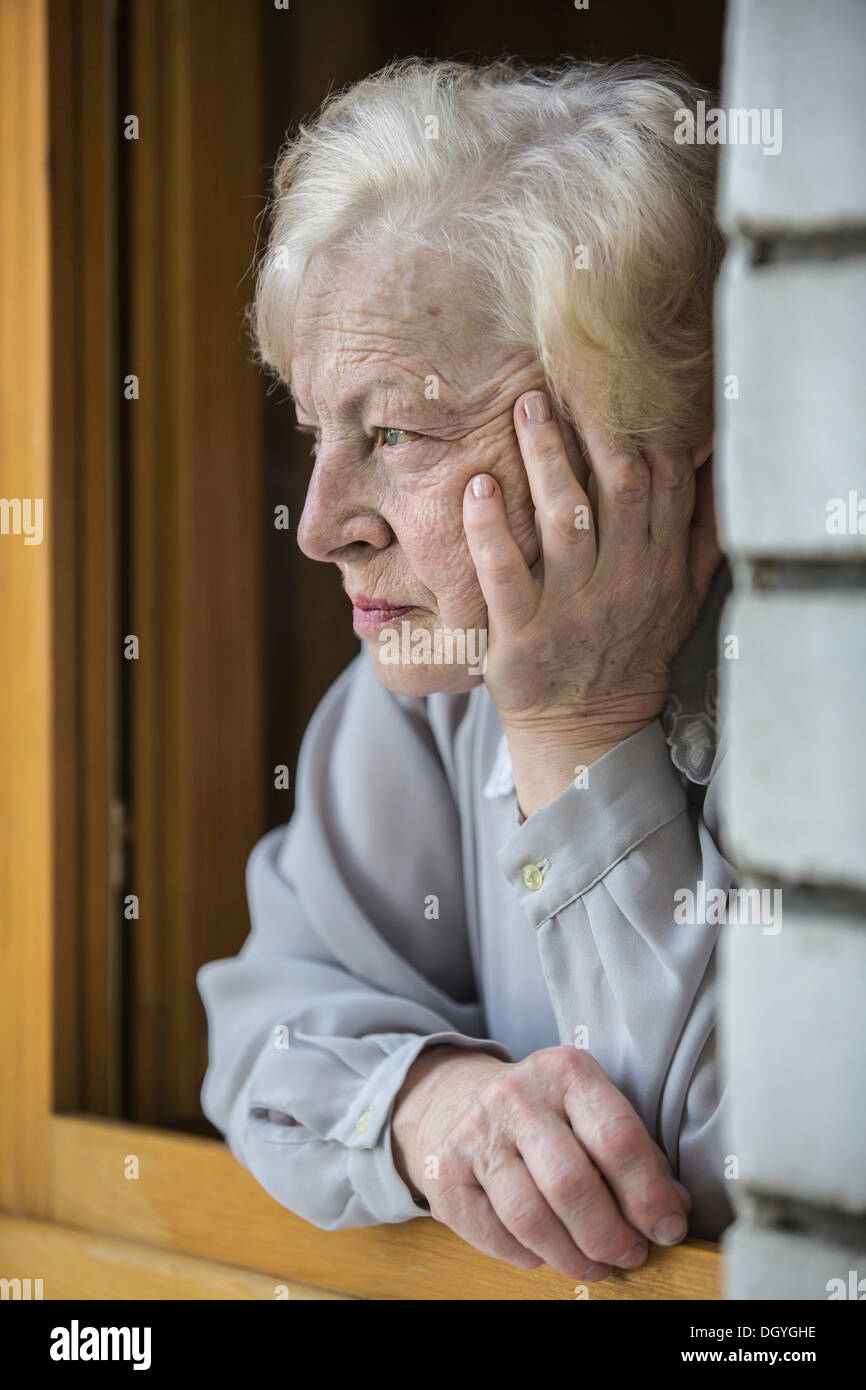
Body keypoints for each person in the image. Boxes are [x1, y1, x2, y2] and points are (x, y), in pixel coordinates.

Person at [197, 56, 736, 1284]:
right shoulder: (426, 683)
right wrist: (426, 1104)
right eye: (314, 436)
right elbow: (256, 1031)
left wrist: (576, 726)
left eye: (394, 433)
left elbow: (718, 1193)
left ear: (644, 442)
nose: (321, 524)